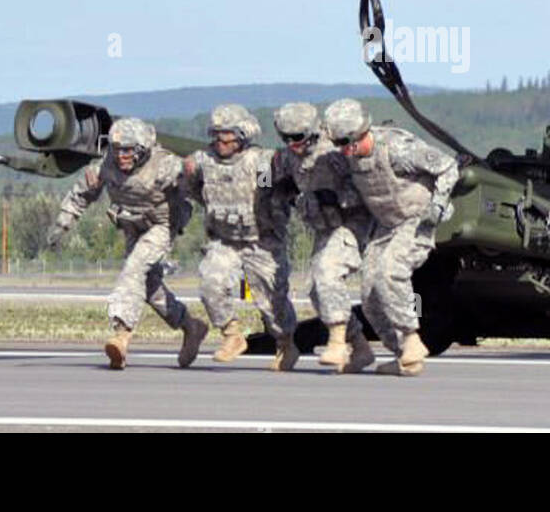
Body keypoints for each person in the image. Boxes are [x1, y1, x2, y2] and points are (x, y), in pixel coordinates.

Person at [46, 117, 206, 370]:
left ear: (142, 150)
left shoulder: (165, 166)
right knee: (148, 286)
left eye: (128, 150)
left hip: (162, 226)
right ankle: (191, 326)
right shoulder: (107, 165)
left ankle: (121, 334)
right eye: (117, 149)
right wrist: (62, 223)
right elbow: (82, 194)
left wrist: (222, 224)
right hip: (132, 226)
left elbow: (202, 188)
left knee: (134, 269)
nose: (121, 156)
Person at [321, 99, 458, 376]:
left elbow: (447, 167)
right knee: (370, 295)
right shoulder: (350, 159)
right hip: (386, 226)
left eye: (349, 142)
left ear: (362, 131)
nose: (346, 150)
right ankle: (404, 356)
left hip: (417, 221)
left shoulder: (397, 148)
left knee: (389, 273)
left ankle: (412, 338)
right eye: (340, 144)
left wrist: (438, 205)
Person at [185, 104, 298, 370]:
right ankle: (232, 335)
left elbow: (276, 191)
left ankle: (286, 344)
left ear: (242, 136)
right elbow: (193, 189)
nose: (220, 141)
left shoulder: (261, 163)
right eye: (216, 135)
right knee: (210, 284)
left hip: (262, 242)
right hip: (225, 241)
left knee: (273, 302)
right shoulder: (203, 162)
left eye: (227, 135)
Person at [272, 102, 375, 373]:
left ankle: (338, 341)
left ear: (313, 133)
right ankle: (361, 347)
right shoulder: (286, 157)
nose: (292, 144)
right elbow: (266, 177)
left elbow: (368, 188)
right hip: (323, 228)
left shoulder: (336, 154)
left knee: (327, 272)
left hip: (353, 223)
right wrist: (278, 189)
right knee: (318, 291)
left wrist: (338, 199)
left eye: (298, 137)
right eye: (286, 138)